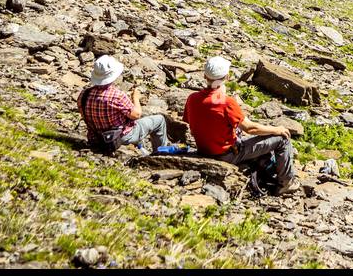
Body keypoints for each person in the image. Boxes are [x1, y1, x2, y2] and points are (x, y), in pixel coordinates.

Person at [183, 56, 298, 194]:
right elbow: (250, 128)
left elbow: (197, 123)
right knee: (282, 140)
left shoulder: (192, 98)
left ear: (204, 76)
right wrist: (276, 129)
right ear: (227, 77)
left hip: (203, 150)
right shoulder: (226, 102)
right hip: (227, 154)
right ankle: (286, 183)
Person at [78, 55, 170, 153]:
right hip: (121, 137)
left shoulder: (84, 94)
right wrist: (135, 98)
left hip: (95, 137)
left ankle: (141, 149)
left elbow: (84, 115)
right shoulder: (117, 95)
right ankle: (160, 153)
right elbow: (137, 114)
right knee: (159, 120)